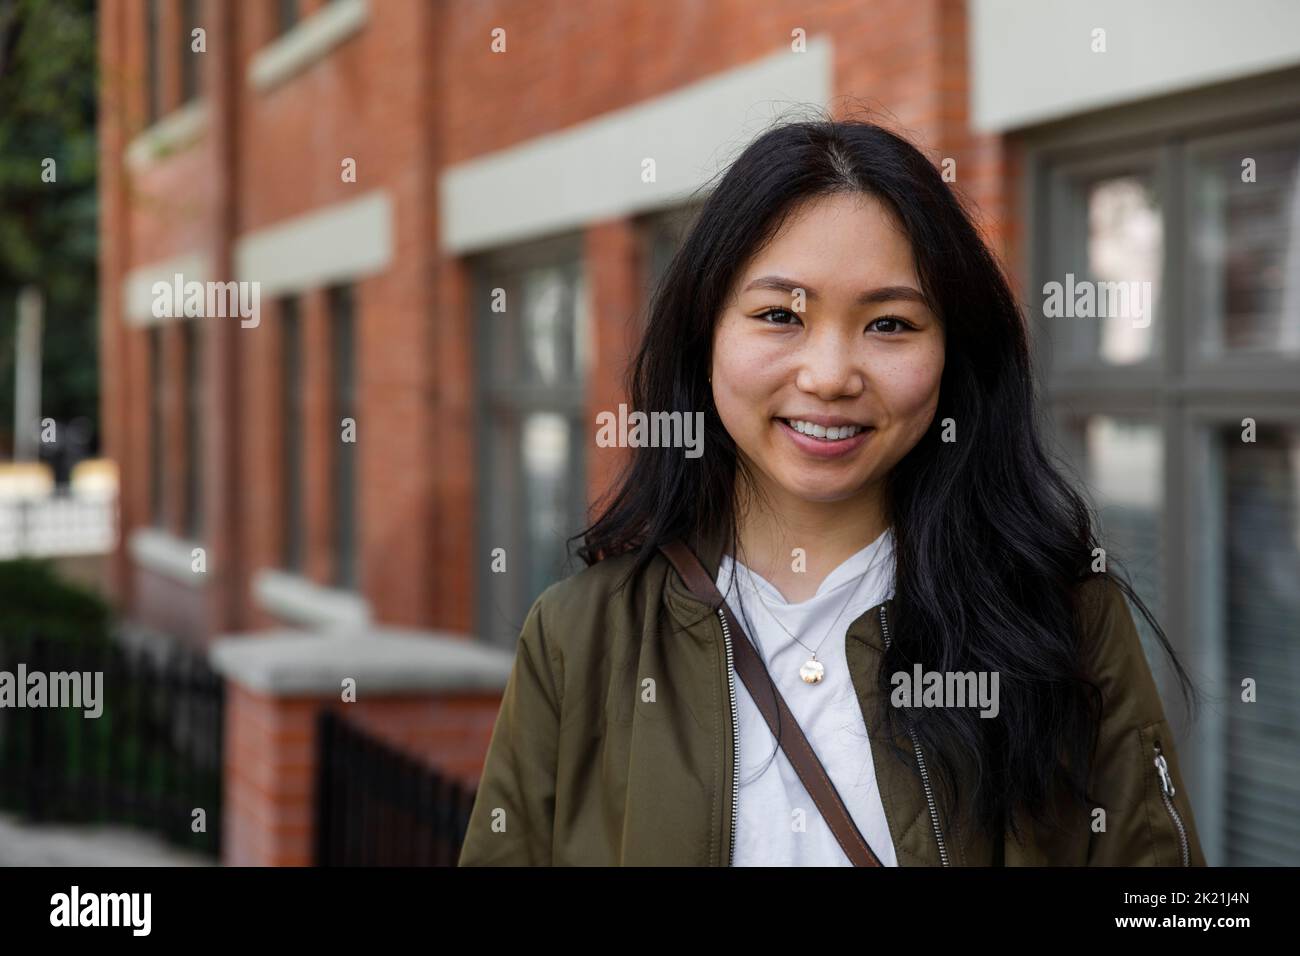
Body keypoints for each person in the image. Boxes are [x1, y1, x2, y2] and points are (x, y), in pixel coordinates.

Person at [457, 117, 1207, 866]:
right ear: (705, 334)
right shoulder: (577, 639)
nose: (829, 375)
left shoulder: (1062, 620)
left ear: (954, 353)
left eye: (889, 323)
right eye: (780, 315)